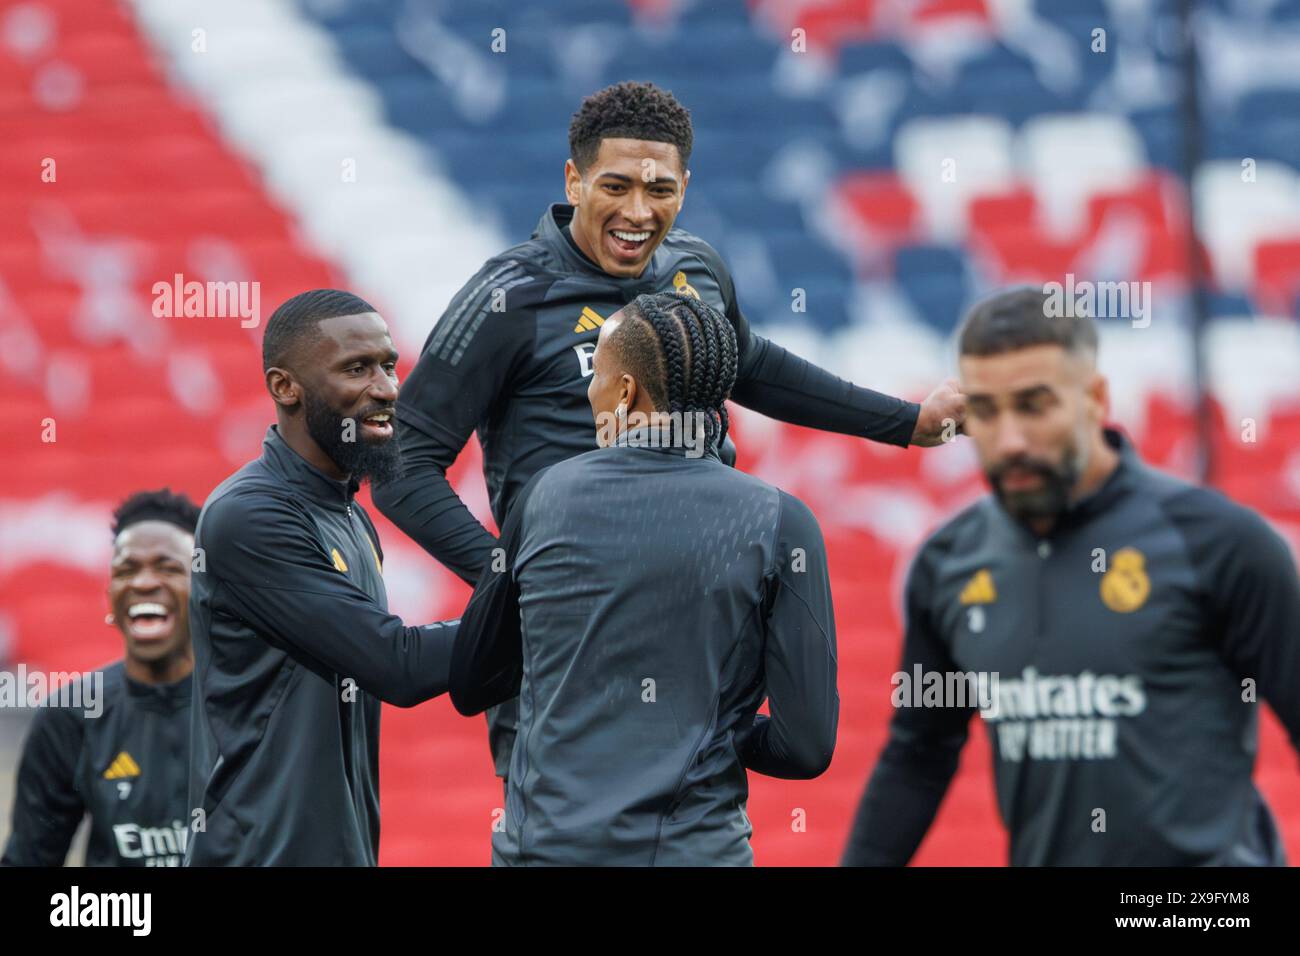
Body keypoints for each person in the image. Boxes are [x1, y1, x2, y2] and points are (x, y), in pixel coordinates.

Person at [375, 80, 960, 782]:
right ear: (574, 179)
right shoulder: (511, 296)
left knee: (700, 820)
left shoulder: (697, 269)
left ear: (685, 185)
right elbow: (403, 462)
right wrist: (514, 581)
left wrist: (906, 422)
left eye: (660, 190)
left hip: (699, 627)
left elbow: (757, 368)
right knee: (570, 838)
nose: (637, 211)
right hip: (572, 640)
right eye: (615, 186)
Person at [841, 286, 1300, 866]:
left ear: (1095, 398)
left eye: (1034, 406)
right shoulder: (947, 565)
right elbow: (919, 755)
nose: (1009, 440)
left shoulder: (1222, 545)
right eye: (985, 410)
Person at [449, 292, 839, 865]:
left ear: (625, 393)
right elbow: (805, 747)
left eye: (597, 379)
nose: (590, 394)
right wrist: (720, 730)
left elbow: (472, 681)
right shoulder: (782, 521)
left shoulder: (542, 497)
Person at [186, 289, 458, 866]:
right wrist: (540, 599)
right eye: (356, 369)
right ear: (285, 387)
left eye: (388, 365)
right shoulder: (250, 516)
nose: (386, 388)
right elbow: (399, 666)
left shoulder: (351, 514)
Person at [3, 489, 200, 866]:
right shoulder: (71, 716)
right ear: (110, 593)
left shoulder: (252, 705)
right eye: (126, 569)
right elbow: (30, 857)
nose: (143, 582)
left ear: (205, 587)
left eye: (169, 567)